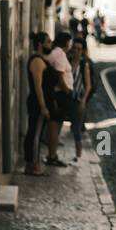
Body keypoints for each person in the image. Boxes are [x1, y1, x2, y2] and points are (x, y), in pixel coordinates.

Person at [24, 32, 55, 175]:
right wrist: (43, 106)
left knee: (36, 133)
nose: (50, 44)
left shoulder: (41, 59)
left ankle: (32, 164)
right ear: (40, 44)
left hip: (40, 103)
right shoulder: (37, 61)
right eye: (48, 42)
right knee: (35, 134)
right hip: (37, 104)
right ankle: (33, 165)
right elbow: (38, 86)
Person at [45, 31, 74, 166]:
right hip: (60, 94)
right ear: (66, 42)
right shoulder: (60, 54)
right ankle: (52, 156)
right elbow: (59, 76)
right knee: (55, 125)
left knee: (54, 125)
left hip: (56, 94)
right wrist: (67, 91)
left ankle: (53, 155)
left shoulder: (54, 53)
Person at [69, 37, 93, 162]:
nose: (76, 51)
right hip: (67, 99)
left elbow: (88, 85)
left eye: (79, 49)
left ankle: (78, 155)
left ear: (83, 51)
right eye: (74, 48)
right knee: (69, 126)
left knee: (76, 128)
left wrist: (83, 101)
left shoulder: (84, 65)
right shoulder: (67, 61)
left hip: (79, 100)